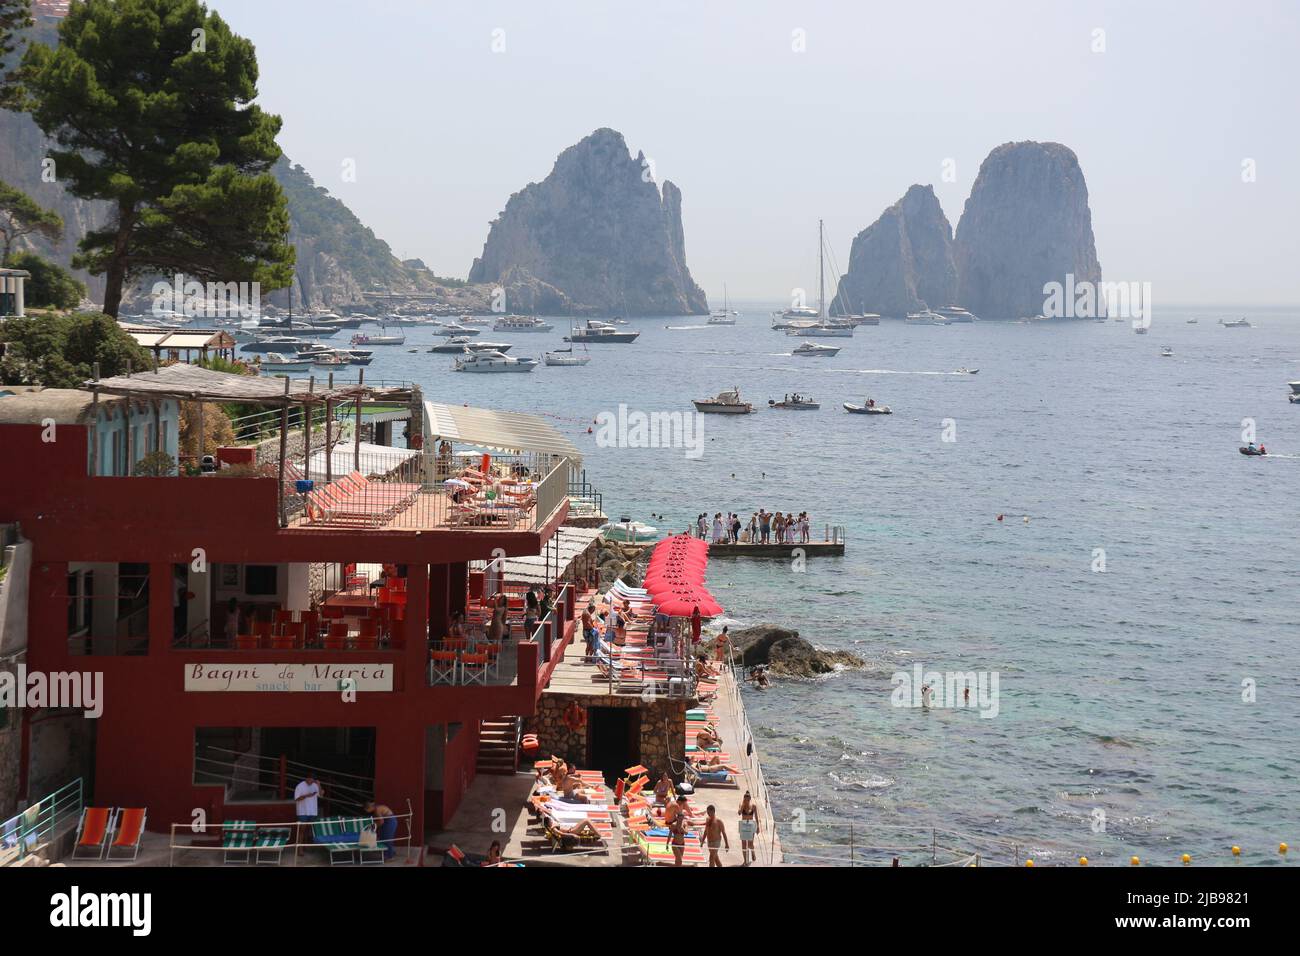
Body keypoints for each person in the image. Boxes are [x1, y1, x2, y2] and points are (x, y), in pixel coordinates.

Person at [294, 775, 323, 857]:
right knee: (301, 831)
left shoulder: (315, 785)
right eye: (309, 778)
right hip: (302, 812)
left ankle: (305, 846)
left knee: (308, 830)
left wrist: (319, 785)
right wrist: (306, 796)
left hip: (312, 812)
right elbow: (296, 799)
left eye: (312, 779)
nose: (311, 780)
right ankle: (300, 849)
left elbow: (321, 795)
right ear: (306, 778)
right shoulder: (300, 786)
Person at [738, 791, 760, 866]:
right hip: (744, 824)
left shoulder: (753, 806)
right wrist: (742, 806)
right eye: (745, 799)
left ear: (750, 799)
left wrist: (758, 827)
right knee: (744, 844)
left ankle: (752, 851)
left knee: (750, 843)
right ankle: (745, 861)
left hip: (751, 824)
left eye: (748, 799)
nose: (746, 801)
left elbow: (756, 817)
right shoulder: (742, 805)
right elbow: (739, 813)